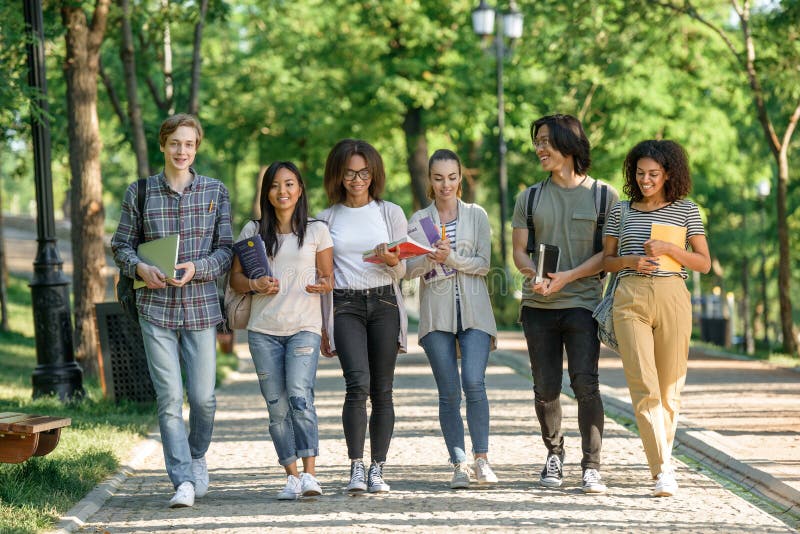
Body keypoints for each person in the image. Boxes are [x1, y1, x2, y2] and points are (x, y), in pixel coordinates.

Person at [111, 114, 233, 508]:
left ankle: (197, 457)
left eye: (189, 144)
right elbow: (121, 245)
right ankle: (181, 479)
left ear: (197, 147)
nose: (182, 151)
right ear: (163, 144)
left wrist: (199, 268)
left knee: (203, 399)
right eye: (175, 143)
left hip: (199, 308)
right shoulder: (140, 192)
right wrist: (140, 267)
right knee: (169, 399)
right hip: (155, 308)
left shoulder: (216, 191)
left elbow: (226, 249)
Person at [511, 113, 618, 494]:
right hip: (538, 307)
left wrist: (568, 278)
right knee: (545, 388)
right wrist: (532, 275)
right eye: (536, 141)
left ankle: (592, 466)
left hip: (583, 304)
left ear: (569, 145)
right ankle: (554, 455)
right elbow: (519, 252)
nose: (539, 148)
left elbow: (608, 257)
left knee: (586, 384)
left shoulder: (605, 196)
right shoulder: (530, 196)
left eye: (546, 141)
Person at [602, 139, 710, 497]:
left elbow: (703, 263)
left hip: (673, 296)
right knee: (643, 384)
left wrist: (670, 249)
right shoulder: (621, 211)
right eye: (639, 172)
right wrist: (632, 261)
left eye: (653, 174)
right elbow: (606, 262)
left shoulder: (686, 210)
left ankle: (662, 462)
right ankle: (663, 468)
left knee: (669, 391)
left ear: (668, 174)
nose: (645, 180)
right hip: (630, 297)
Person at [229, 161, 334, 501]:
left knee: (300, 397)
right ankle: (290, 475)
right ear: (267, 193)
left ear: (300, 189)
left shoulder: (317, 230)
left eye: (289, 184)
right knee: (276, 407)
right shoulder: (252, 231)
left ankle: (310, 475)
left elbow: (327, 278)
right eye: (275, 185)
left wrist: (322, 286)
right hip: (263, 331)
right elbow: (235, 281)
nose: (282, 191)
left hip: (304, 327)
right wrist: (256, 283)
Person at [317, 139, 408, 494]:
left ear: (374, 173)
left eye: (364, 172)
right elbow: (323, 275)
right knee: (357, 385)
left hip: (384, 303)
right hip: (345, 305)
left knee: (383, 390)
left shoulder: (390, 213)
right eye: (350, 173)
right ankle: (356, 466)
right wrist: (322, 325)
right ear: (337, 175)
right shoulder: (325, 219)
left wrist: (392, 261)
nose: (357, 180)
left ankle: (377, 469)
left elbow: (403, 270)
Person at [404, 149, 498, 489]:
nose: (446, 184)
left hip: (475, 312)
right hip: (436, 317)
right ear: (430, 180)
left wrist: (452, 257)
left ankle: (482, 459)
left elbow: (484, 263)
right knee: (449, 391)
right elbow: (407, 270)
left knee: (474, 382)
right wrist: (429, 259)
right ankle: (459, 463)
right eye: (439, 178)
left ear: (461, 178)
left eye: (453, 177)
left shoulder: (476, 215)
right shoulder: (418, 220)